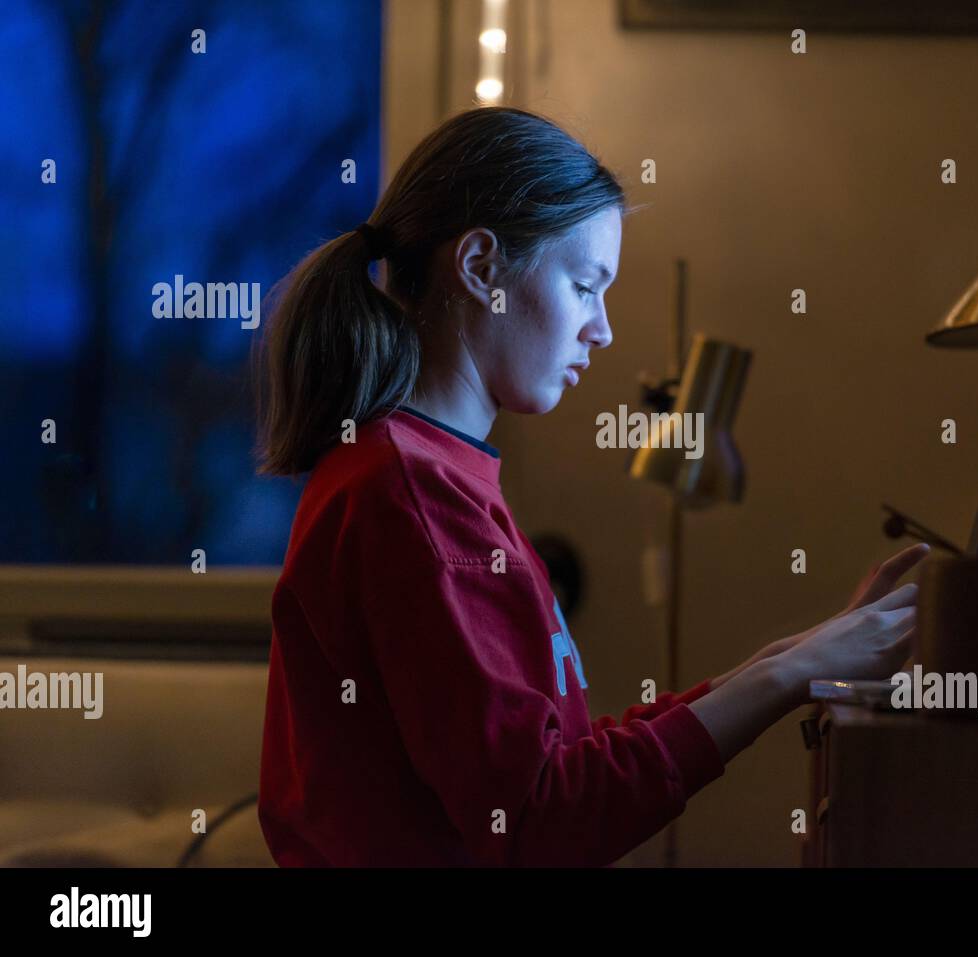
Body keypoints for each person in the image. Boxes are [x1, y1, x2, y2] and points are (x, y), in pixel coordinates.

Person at [255, 105, 924, 867]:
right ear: (479, 268)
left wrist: (799, 652)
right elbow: (539, 818)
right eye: (584, 285)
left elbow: (558, 761)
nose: (601, 329)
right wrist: (786, 675)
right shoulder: (412, 494)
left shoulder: (424, 472)